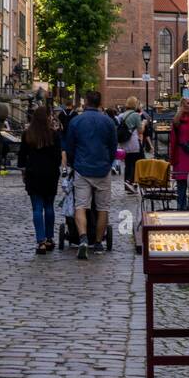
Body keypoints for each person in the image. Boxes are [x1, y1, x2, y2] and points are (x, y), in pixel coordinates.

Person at [63, 90, 117, 260]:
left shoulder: (76, 121)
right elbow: (113, 146)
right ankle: (99, 242)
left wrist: (73, 163)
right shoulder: (108, 122)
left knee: (81, 205)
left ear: (86, 102)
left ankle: (83, 238)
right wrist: (107, 162)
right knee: (103, 207)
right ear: (100, 102)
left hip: (82, 168)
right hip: (102, 169)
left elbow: (70, 146)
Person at [17, 104, 63, 255]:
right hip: (50, 175)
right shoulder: (54, 135)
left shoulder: (28, 134)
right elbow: (57, 157)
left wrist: (24, 172)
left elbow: (22, 157)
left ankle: (40, 241)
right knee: (49, 206)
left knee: (37, 207)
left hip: (33, 174)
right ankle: (49, 238)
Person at [119, 95, 145, 193]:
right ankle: (131, 182)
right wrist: (144, 124)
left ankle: (127, 182)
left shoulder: (122, 115)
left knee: (128, 164)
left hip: (124, 143)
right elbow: (140, 131)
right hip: (133, 143)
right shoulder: (135, 115)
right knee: (136, 163)